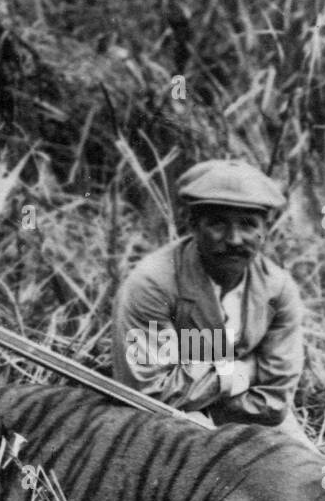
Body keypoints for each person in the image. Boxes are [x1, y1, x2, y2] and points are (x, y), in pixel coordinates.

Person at [111, 158, 314, 449]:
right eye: (218, 223)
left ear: (265, 230)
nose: (234, 239)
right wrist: (242, 371)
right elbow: (148, 394)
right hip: (168, 418)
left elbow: (274, 400)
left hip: (250, 415)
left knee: (319, 476)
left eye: (248, 225)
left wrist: (201, 383)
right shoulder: (153, 284)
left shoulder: (277, 289)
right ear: (193, 224)